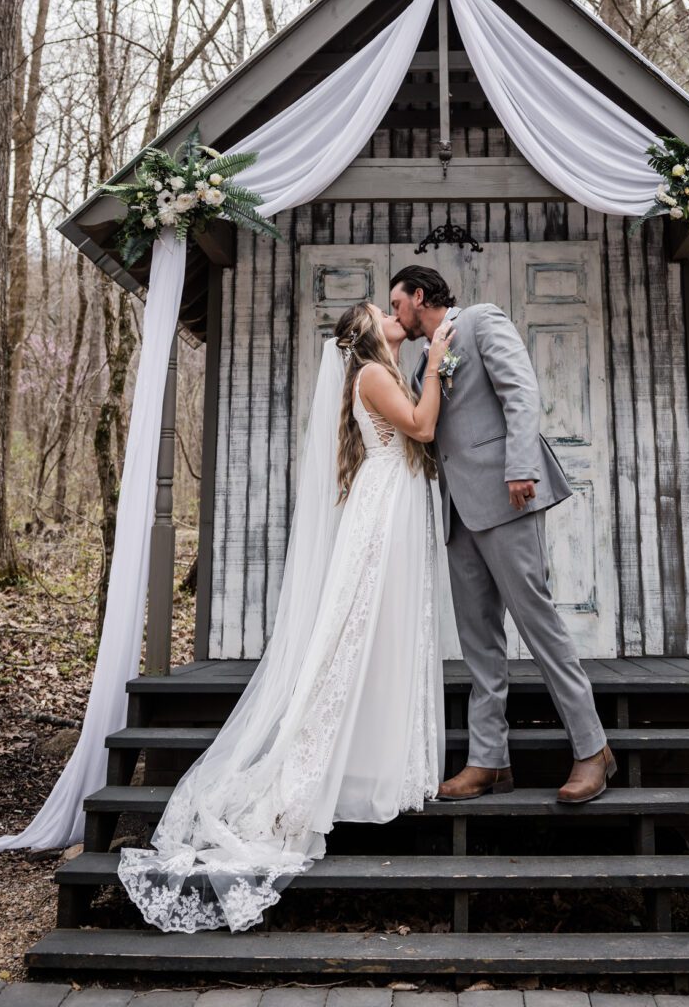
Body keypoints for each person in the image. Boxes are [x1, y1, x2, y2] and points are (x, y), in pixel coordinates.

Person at [117, 303, 455, 933]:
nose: (392, 315)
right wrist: (435, 362)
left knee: (380, 638)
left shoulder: (384, 369)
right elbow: (422, 426)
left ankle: (376, 759)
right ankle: (306, 779)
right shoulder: (372, 375)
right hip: (382, 513)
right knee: (353, 636)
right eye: (381, 313)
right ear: (366, 334)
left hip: (396, 504)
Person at [390, 264, 615, 805]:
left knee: (539, 626)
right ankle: (488, 760)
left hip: (507, 496)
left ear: (419, 296)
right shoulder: (423, 361)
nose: (396, 314)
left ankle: (593, 750)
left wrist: (521, 467)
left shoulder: (481, 321)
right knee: (478, 642)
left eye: (397, 304)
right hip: (458, 512)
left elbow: (521, 391)